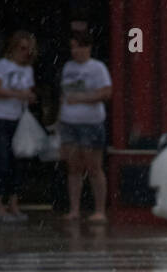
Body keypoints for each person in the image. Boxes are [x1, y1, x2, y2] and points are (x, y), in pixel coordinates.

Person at [58, 30, 112, 223]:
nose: (75, 51)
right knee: (73, 167)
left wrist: (82, 98)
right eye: (72, 47)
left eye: (78, 46)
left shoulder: (98, 68)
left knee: (94, 166)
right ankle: (74, 210)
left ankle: (100, 210)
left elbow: (106, 93)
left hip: (90, 123)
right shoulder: (67, 67)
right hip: (69, 122)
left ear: (87, 47)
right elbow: (63, 95)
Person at [0, 31, 37, 222]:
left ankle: (14, 203)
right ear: (13, 48)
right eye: (22, 48)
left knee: (18, 161)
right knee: (1, 159)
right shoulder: (2, 65)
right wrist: (18, 94)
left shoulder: (28, 70)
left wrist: (29, 97)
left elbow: (29, 92)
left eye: (29, 50)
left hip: (18, 117)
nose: (25, 53)